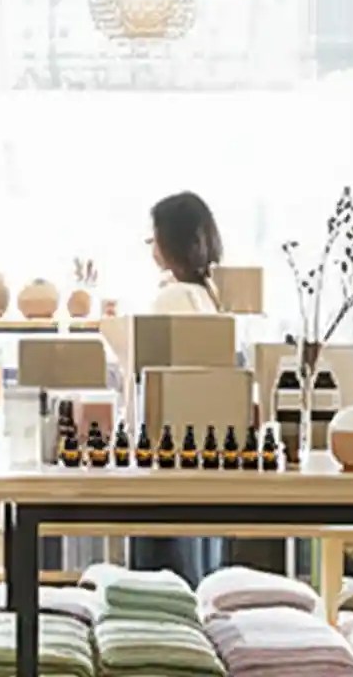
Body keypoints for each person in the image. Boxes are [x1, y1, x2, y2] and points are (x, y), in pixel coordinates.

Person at [132, 190, 224, 586]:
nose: (151, 247)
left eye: (154, 237)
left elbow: (151, 371)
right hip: (208, 455)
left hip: (168, 454)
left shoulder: (172, 297)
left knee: (163, 580)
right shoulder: (208, 296)